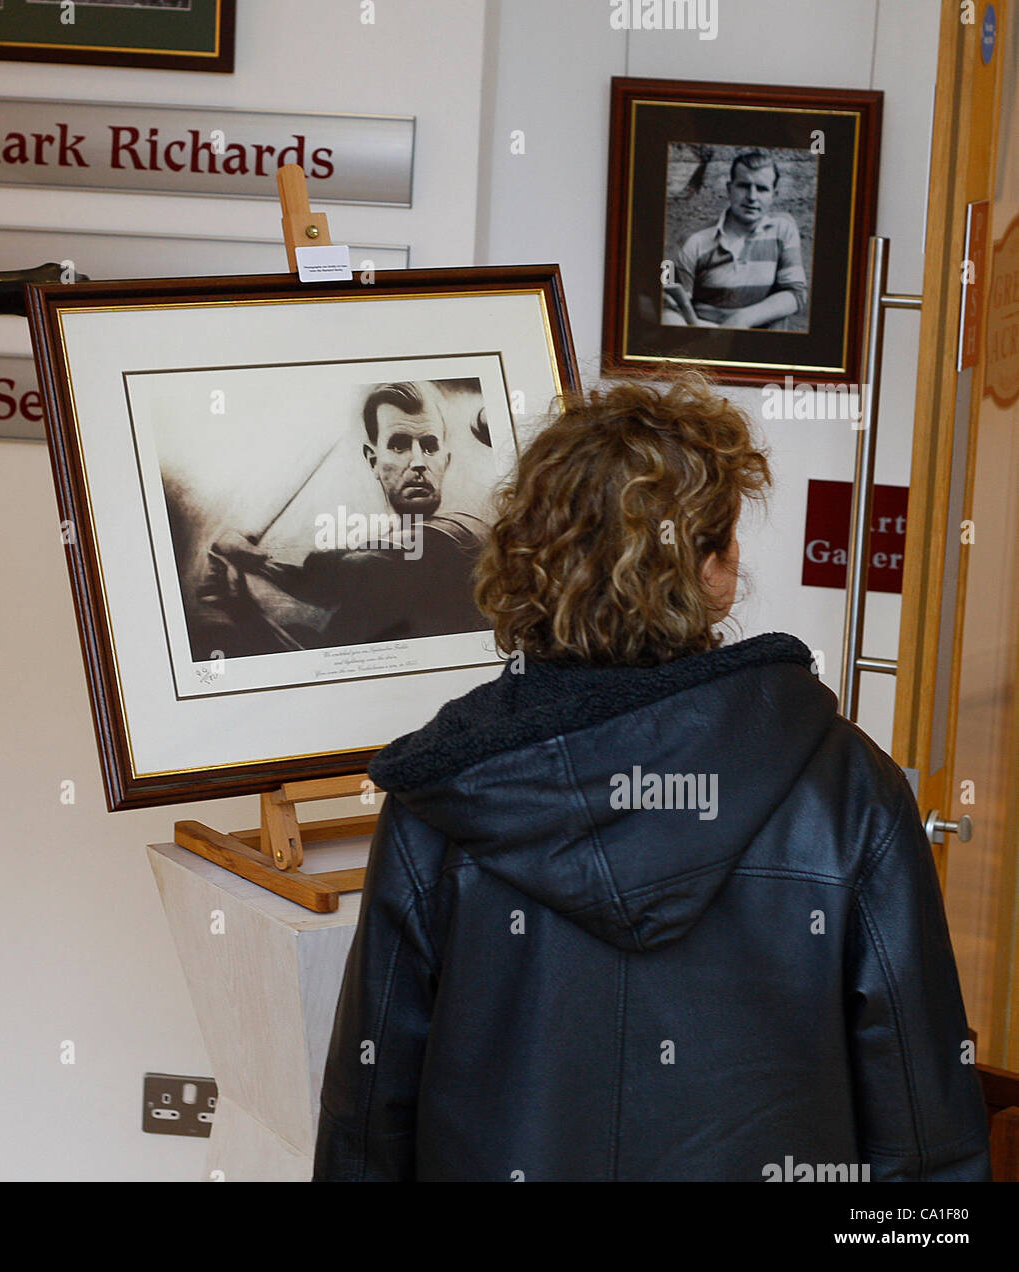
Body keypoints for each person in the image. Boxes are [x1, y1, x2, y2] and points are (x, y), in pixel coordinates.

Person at [313, 373, 991, 1181]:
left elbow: (368, 1127)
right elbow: (923, 1132)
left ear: (530, 560)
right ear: (712, 570)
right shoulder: (848, 789)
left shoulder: (445, 790)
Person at [196, 382, 490, 655]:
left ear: (446, 459)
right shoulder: (390, 552)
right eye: (399, 445)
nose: (418, 462)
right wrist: (248, 580)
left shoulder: (453, 536)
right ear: (373, 460)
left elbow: (334, 577)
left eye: (429, 446)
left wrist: (246, 585)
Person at [663, 149, 809, 330]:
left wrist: (743, 319)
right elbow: (671, 308)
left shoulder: (783, 229)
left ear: (774, 195)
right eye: (743, 186)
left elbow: (795, 293)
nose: (752, 197)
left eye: (762, 189)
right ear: (729, 189)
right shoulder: (695, 241)